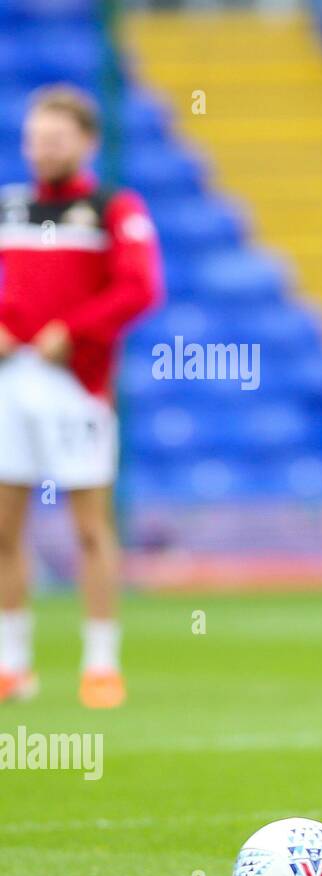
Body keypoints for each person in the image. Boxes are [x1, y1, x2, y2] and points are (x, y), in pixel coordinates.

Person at [0, 85, 162, 708]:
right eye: (35, 139)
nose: (43, 150)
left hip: (76, 384)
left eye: (56, 139)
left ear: (87, 142)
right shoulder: (12, 206)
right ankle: (13, 664)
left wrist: (72, 331)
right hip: (11, 380)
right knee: (5, 528)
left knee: (89, 528)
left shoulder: (111, 208)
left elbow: (139, 288)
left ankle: (100, 664)